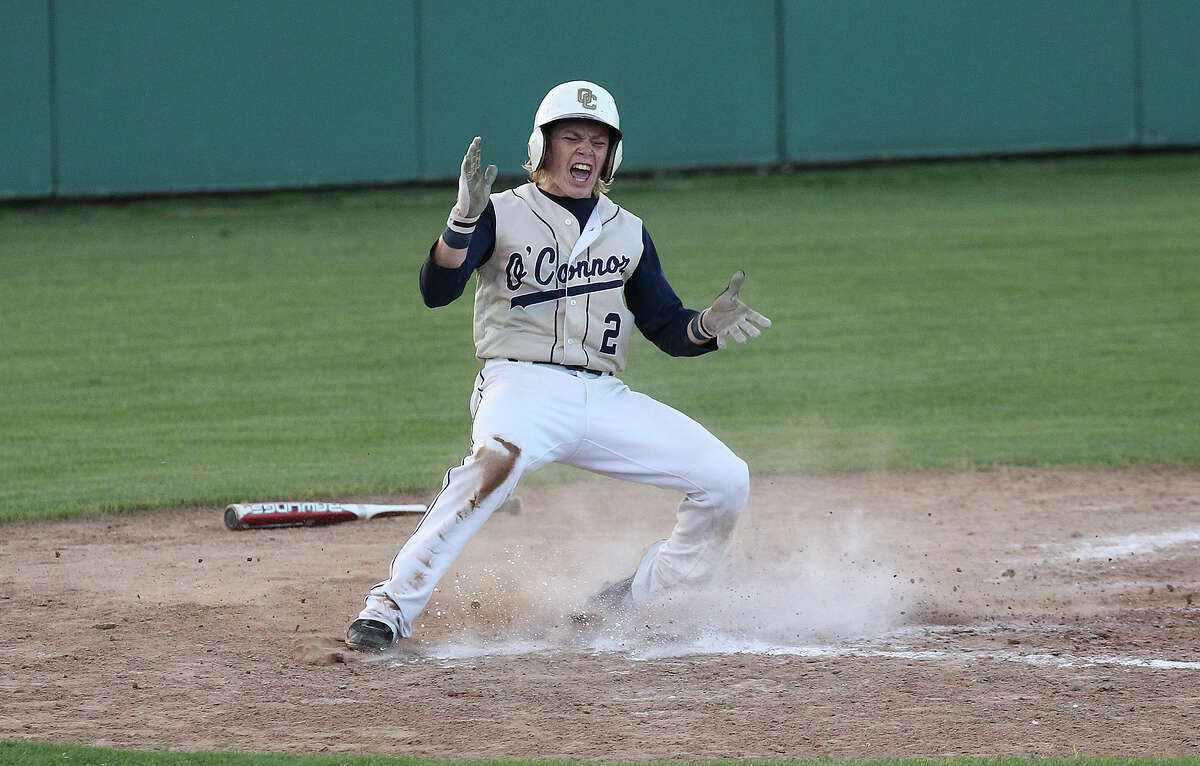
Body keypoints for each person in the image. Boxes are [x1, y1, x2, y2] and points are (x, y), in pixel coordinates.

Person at [346, 80, 771, 650]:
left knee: (726, 479)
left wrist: (706, 326)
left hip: (604, 396)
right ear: (543, 146)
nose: (586, 151)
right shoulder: (500, 212)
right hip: (519, 386)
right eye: (572, 137)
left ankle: (640, 596)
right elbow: (436, 290)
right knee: (492, 469)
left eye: (598, 141)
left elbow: (668, 327)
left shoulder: (627, 230)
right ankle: (389, 609)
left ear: (612, 155)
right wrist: (462, 221)